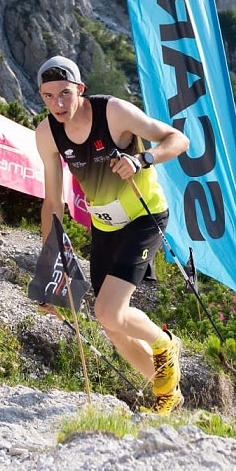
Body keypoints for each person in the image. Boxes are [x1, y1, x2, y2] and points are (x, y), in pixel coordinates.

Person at [35, 54, 190, 414]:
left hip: (144, 216)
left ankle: (164, 342)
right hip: (105, 226)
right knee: (113, 327)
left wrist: (141, 160)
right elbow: (53, 202)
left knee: (107, 311)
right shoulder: (47, 134)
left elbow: (177, 139)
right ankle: (167, 393)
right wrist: (49, 269)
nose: (58, 104)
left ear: (81, 89)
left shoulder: (113, 113)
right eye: (48, 96)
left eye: (65, 94)